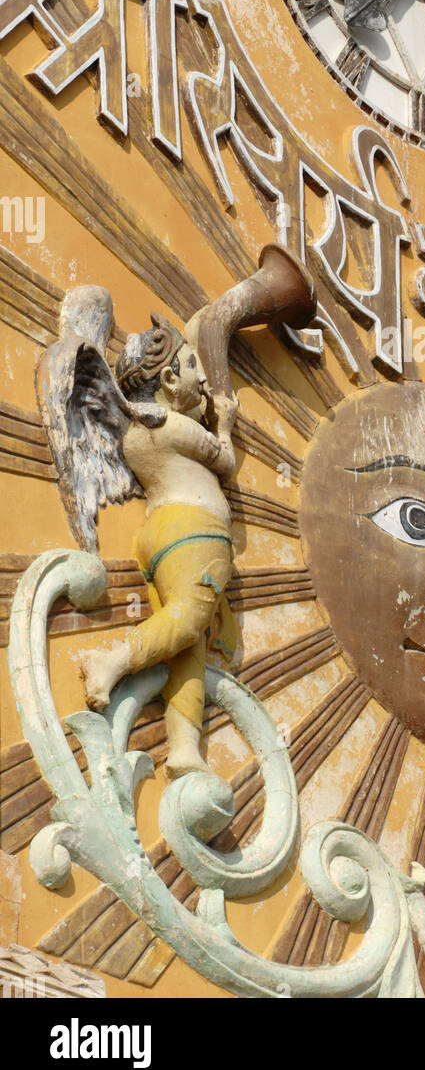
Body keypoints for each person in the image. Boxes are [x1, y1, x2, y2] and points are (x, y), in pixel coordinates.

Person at [80, 316, 238, 780]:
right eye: (192, 365)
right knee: (189, 620)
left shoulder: (136, 433)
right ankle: (110, 662)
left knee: (187, 638)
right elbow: (224, 461)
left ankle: (185, 746)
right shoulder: (172, 425)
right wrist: (224, 423)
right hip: (194, 532)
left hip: (159, 536)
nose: (204, 377)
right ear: (168, 379)